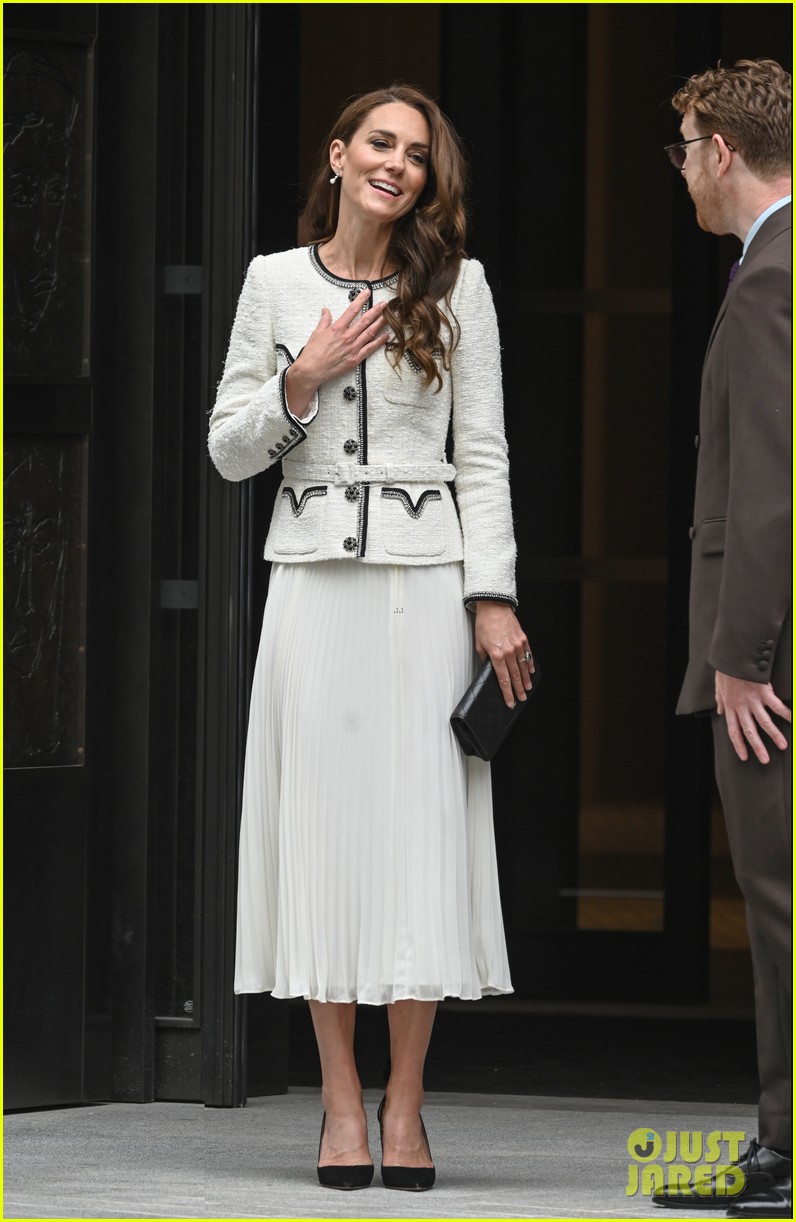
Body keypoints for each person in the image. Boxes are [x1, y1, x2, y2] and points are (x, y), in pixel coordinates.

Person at [208, 84, 533, 1192]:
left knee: (414, 842)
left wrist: (491, 596)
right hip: (312, 590)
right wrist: (299, 383)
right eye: (379, 144)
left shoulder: (459, 288)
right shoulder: (272, 283)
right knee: (324, 838)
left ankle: (406, 1101)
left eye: (418, 154)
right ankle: (339, 1100)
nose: (398, 164)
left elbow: (481, 449)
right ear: (339, 155)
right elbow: (227, 450)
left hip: (422, 588)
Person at [654, 59, 792, 1217]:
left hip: (772, 665)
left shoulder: (766, 283)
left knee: (777, 896)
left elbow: (767, 491)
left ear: (724, 153)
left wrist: (740, 655)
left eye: (685, 149)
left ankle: (785, 1151)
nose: (682, 170)